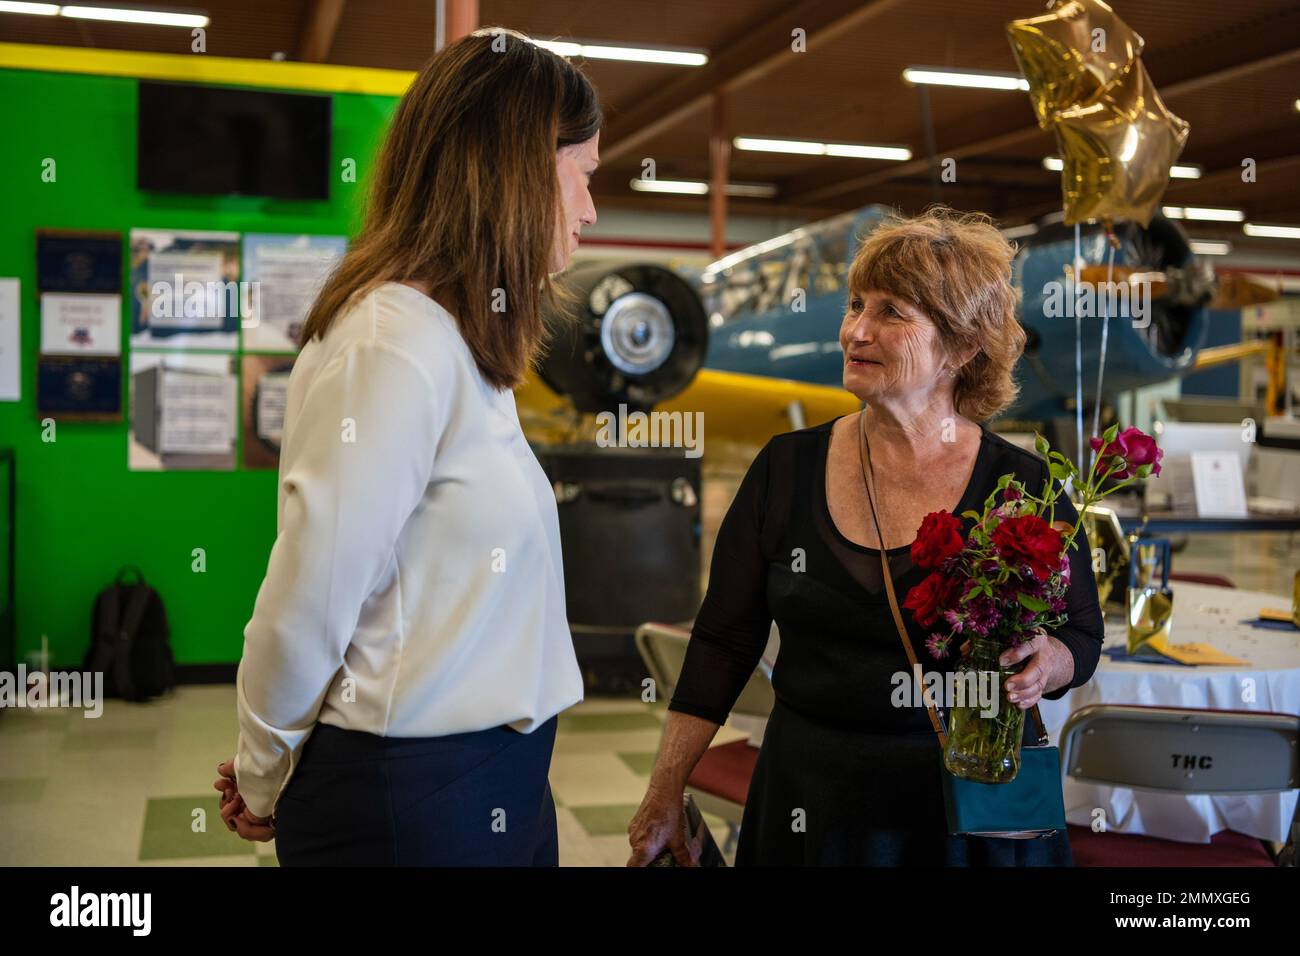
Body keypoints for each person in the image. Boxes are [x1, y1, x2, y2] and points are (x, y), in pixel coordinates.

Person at [211, 27, 602, 865]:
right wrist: (263, 769)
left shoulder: (459, 341)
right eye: (584, 175)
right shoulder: (393, 341)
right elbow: (310, 594)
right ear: (515, 170)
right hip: (412, 796)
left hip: (490, 776)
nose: (590, 210)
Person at [627, 207, 1105, 866]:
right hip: (810, 803)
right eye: (856, 305)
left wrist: (1049, 662)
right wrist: (664, 787)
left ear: (962, 348)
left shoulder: (1023, 487)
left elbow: (1083, 635)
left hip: (967, 812)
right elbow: (722, 642)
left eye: (891, 312)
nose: (856, 329)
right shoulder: (785, 470)